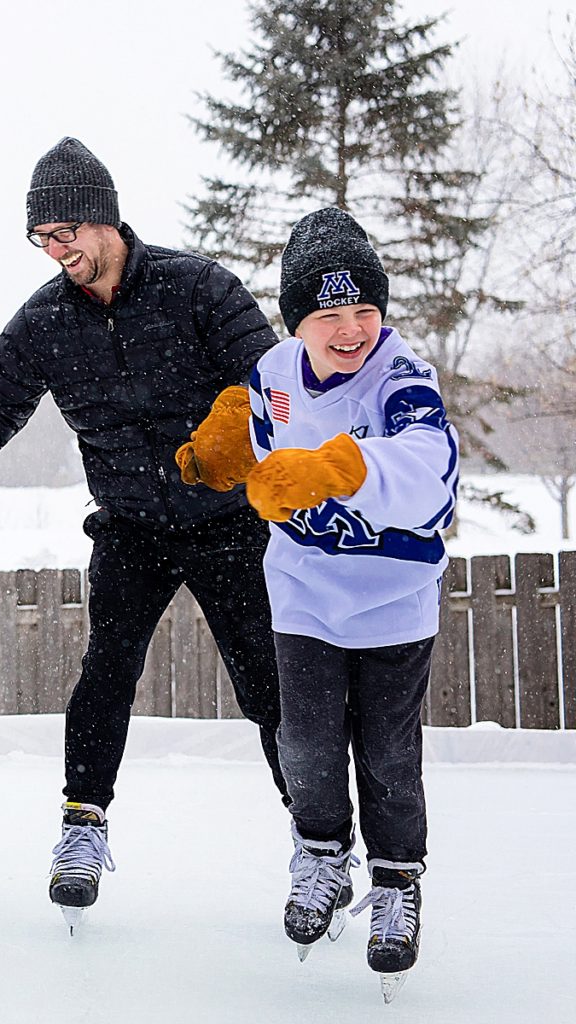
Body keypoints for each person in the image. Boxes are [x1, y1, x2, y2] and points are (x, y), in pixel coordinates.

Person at [0, 136, 288, 926]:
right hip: (131, 528)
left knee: (267, 684)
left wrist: (233, 425)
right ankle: (82, 825)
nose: (56, 252)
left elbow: (272, 379)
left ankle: (316, 834)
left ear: (105, 219)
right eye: (42, 240)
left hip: (228, 523)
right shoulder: (46, 319)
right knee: (106, 673)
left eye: (65, 233)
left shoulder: (197, 287)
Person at [187, 207, 455, 998]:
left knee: (387, 754)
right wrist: (225, 451)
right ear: (297, 320)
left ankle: (397, 881)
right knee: (302, 741)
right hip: (304, 591)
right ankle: (321, 852)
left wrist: (340, 469)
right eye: (328, 315)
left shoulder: (405, 379)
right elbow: (260, 447)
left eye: (365, 311)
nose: (350, 330)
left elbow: (429, 468)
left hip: (395, 597)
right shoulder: (271, 376)